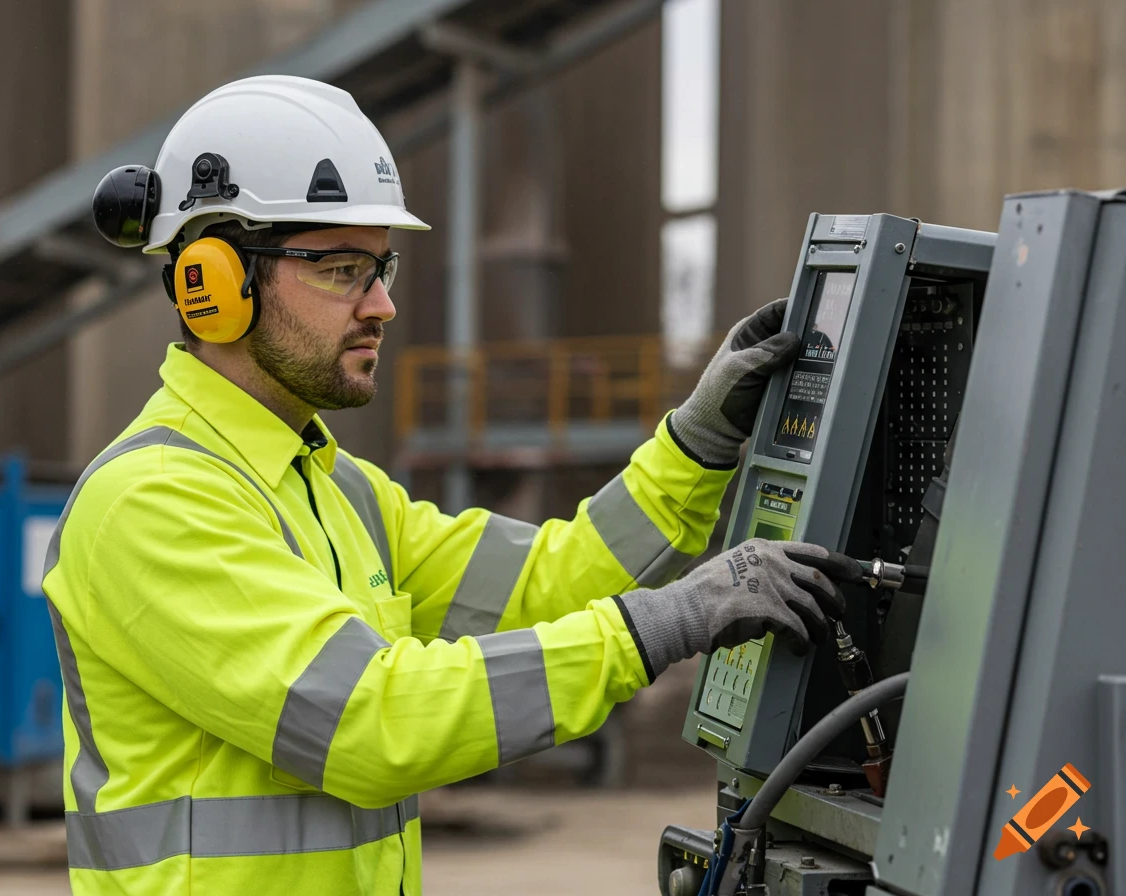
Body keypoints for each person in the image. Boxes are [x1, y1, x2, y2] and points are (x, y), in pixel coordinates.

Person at [47, 75, 847, 895]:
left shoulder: (340, 491)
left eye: (381, 267)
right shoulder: (151, 501)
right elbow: (372, 722)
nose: (382, 305)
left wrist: (697, 442)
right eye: (342, 269)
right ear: (211, 283)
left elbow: (549, 584)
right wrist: (668, 621)